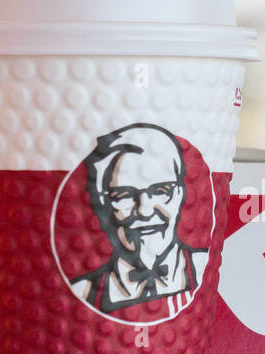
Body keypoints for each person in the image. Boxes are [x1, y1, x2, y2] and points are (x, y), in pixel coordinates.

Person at [69, 124, 207, 316]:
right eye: (124, 195)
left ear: (179, 194)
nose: (145, 210)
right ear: (103, 203)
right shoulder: (80, 293)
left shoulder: (207, 267)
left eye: (160, 191)